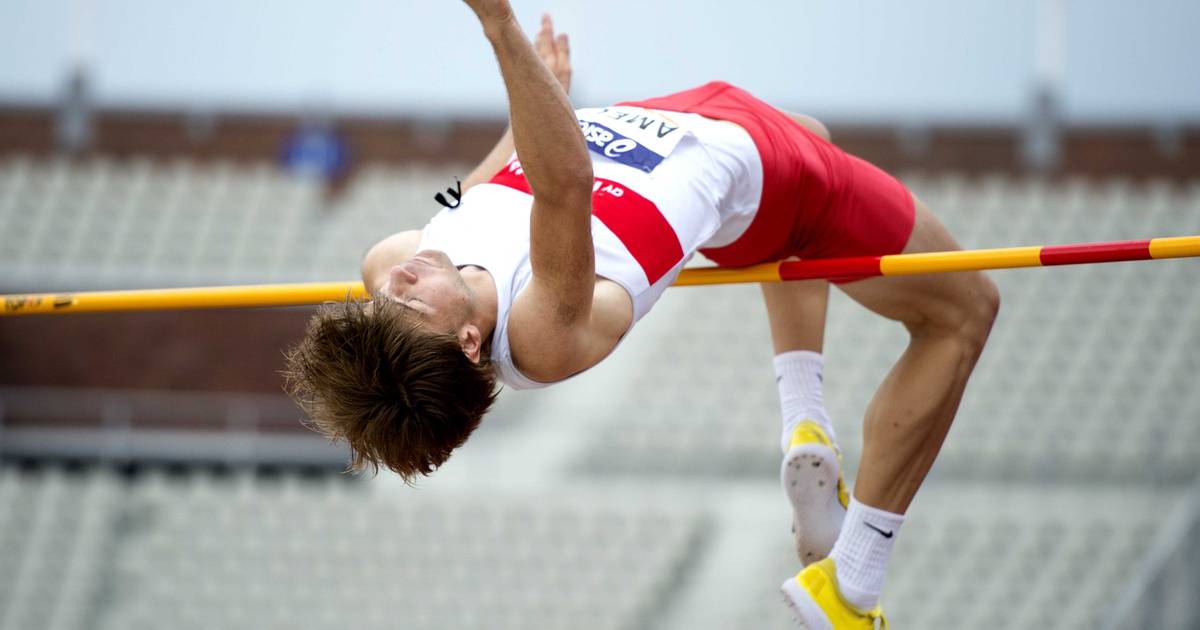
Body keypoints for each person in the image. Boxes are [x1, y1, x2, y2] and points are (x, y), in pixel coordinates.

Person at [284, 2, 1000, 628]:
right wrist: (498, 23)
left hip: (671, 120)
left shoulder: (396, 261)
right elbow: (564, 186)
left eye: (390, 295)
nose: (402, 278)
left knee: (810, 129)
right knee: (964, 312)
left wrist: (530, 113)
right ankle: (853, 581)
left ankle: (805, 418)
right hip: (746, 162)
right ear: (471, 343)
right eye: (410, 302)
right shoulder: (542, 336)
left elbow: (464, 199)